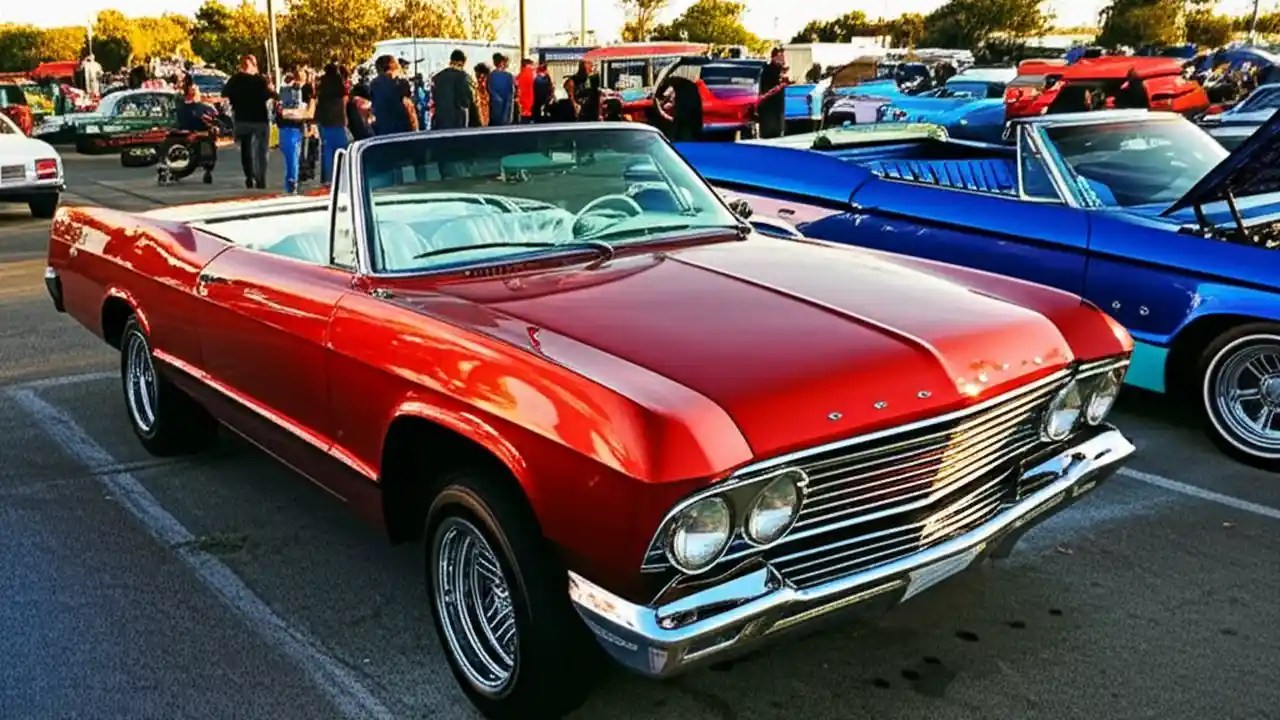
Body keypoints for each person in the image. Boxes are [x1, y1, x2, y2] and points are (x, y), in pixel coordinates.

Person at [223, 54, 273, 189]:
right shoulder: (260, 80)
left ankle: (249, 176)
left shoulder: (236, 79)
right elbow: (269, 95)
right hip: (259, 119)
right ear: (254, 65)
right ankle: (260, 178)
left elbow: (225, 94)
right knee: (261, 151)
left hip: (242, 119)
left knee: (246, 149)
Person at [169, 84, 220, 184]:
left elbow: (215, 120)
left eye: (194, 91)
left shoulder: (204, 107)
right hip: (185, 134)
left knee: (207, 141)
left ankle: (207, 169)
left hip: (199, 134)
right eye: (191, 91)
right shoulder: (181, 109)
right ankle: (176, 169)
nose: (193, 94)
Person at [275, 70, 314, 193]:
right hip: (294, 127)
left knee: (292, 157)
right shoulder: (301, 91)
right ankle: (292, 182)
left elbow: (281, 111)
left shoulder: (284, 91)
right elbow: (308, 113)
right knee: (293, 157)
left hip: (287, 127)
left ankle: (292, 182)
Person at [315, 63, 348, 184]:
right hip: (338, 118)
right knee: (341, 147)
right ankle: (343, 175)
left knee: (327, 150)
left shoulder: (323, 84)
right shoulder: (339, 84)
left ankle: (328, 178)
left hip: (325, 119)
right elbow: (345, 100)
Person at [431, 49, 474, 130]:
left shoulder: (438, 77)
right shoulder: (462, 77)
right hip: (456, 122)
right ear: (461, 63)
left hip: (440, 121)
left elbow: (434, 98)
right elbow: (466, 101)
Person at [370, 54, 413, 135]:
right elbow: (409, 107)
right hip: (403, 128)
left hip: (383, 128)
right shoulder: (402, 83)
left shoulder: (374, 84)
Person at [757, 47, 789, 139]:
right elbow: (768, 88)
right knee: (769, 136)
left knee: (778, 135)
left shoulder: (780, 72)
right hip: (768, 111)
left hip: (778, 110)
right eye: (779, 57)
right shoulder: (767, 71)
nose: (782, 60)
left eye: (783, 57)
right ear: (773, 57)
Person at [488, 54, 515, 126]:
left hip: (495, 108)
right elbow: (511, 93)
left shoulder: (490, 76)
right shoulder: (509, 76)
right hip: (506, 107)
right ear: (502, 62)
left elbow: (489, 90)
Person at [472, 63, 491, 127]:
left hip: (485, 122)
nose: (479, 80)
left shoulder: (488, 89)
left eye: (482, 78)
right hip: (479, 122)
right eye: (478, 77)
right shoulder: (475, 89)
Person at [516, 58, 535, 123]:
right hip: (531, 102)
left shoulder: (520, 74)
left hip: (522, 103)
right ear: (528, 64)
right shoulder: (532, 74)